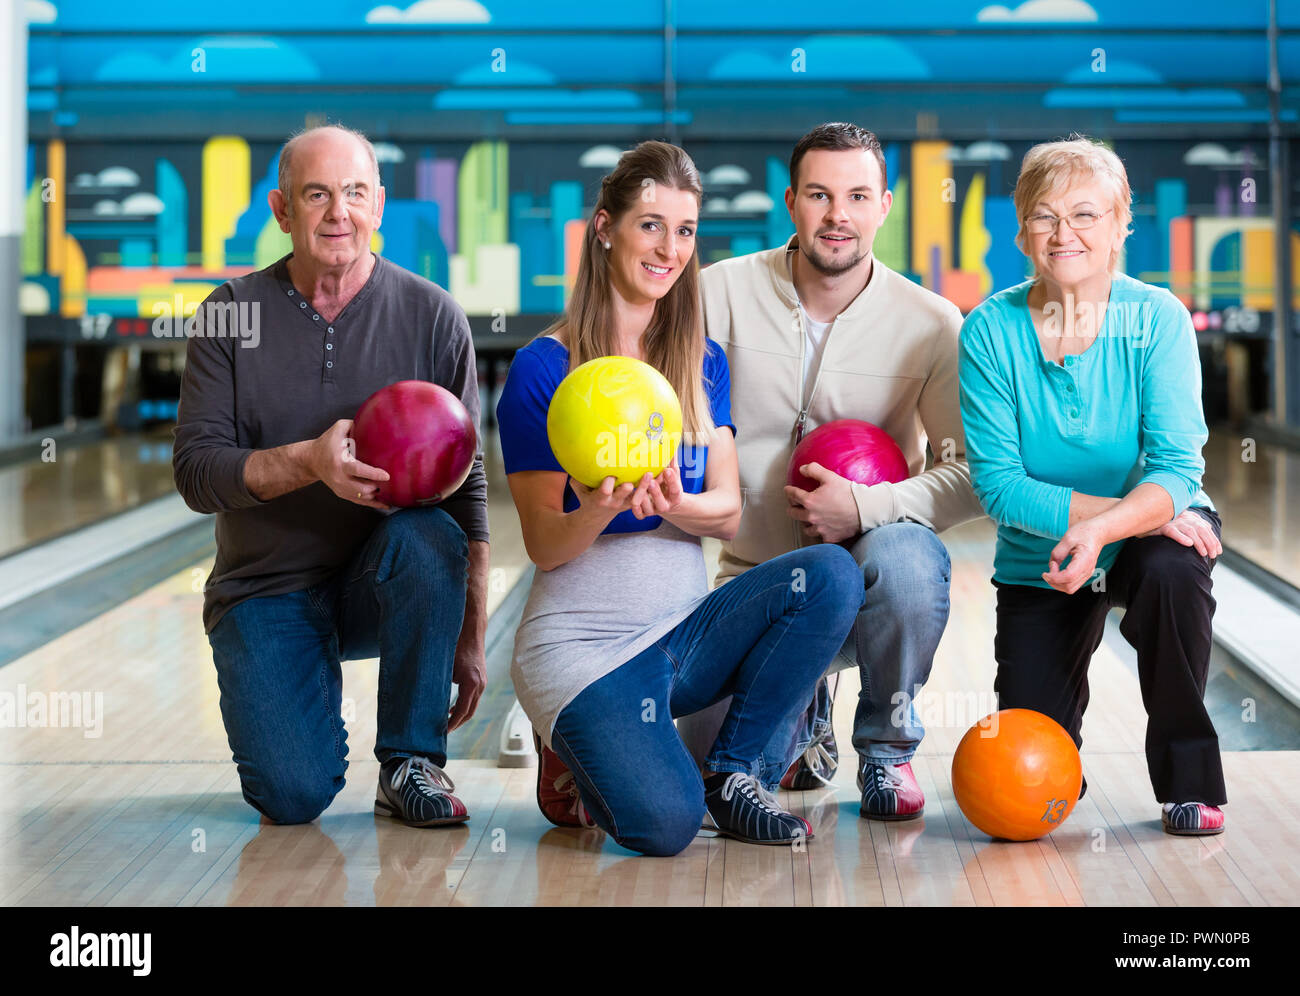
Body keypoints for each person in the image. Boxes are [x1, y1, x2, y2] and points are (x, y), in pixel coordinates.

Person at [496, 140, 864, 856]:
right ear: (605, 227)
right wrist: (601, 506)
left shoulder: (701, 363)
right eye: (651, 225)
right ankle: (571, 739)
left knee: (830, 576)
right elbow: (544, 543)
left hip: (683, 638)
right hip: (583, 654)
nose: (670, 249)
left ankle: (735, 776)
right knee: (663, 829)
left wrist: (664, 504)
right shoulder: (545, 369)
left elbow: (725, 511)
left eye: (686, 230)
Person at [173, 125, 489, 828]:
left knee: (427, 534)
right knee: (292, 797)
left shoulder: (433, 316)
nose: (337, 213)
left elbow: (467, 490)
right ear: (282, 211)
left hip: (380, 582)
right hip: (265, 589)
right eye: (316, 195)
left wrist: (470, 638)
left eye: (352, 194)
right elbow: (196, 473)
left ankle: (411, 761)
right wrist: (308, 461)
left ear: (378, 205)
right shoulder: (232, 315)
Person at [689, 122, 985, 821]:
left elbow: (971, 471)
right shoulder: (716, 293)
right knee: (702, 783)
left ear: (886, 204)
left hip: (866, 578)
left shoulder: (933, 323)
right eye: (819, 195)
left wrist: (866, 507)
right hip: (751, 583)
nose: (837, 215)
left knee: (912, 557)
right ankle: (805, 705)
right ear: (791, 201)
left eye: (856, 195)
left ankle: (886, 755)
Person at [958, 136, 1227, 836]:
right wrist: (1123, 516)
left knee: (1173, 571)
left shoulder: (1157, 319)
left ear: (1119, 227)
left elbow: (1176, 469)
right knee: (1038, 785)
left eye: (1085, 215)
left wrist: (1110, 529)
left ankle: (1189, 781)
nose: (1064, 233)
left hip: (1151, 539)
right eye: (1044, 217)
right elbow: (1000, 487)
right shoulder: (990, 331)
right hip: (1040, 558)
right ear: (1021, 233)